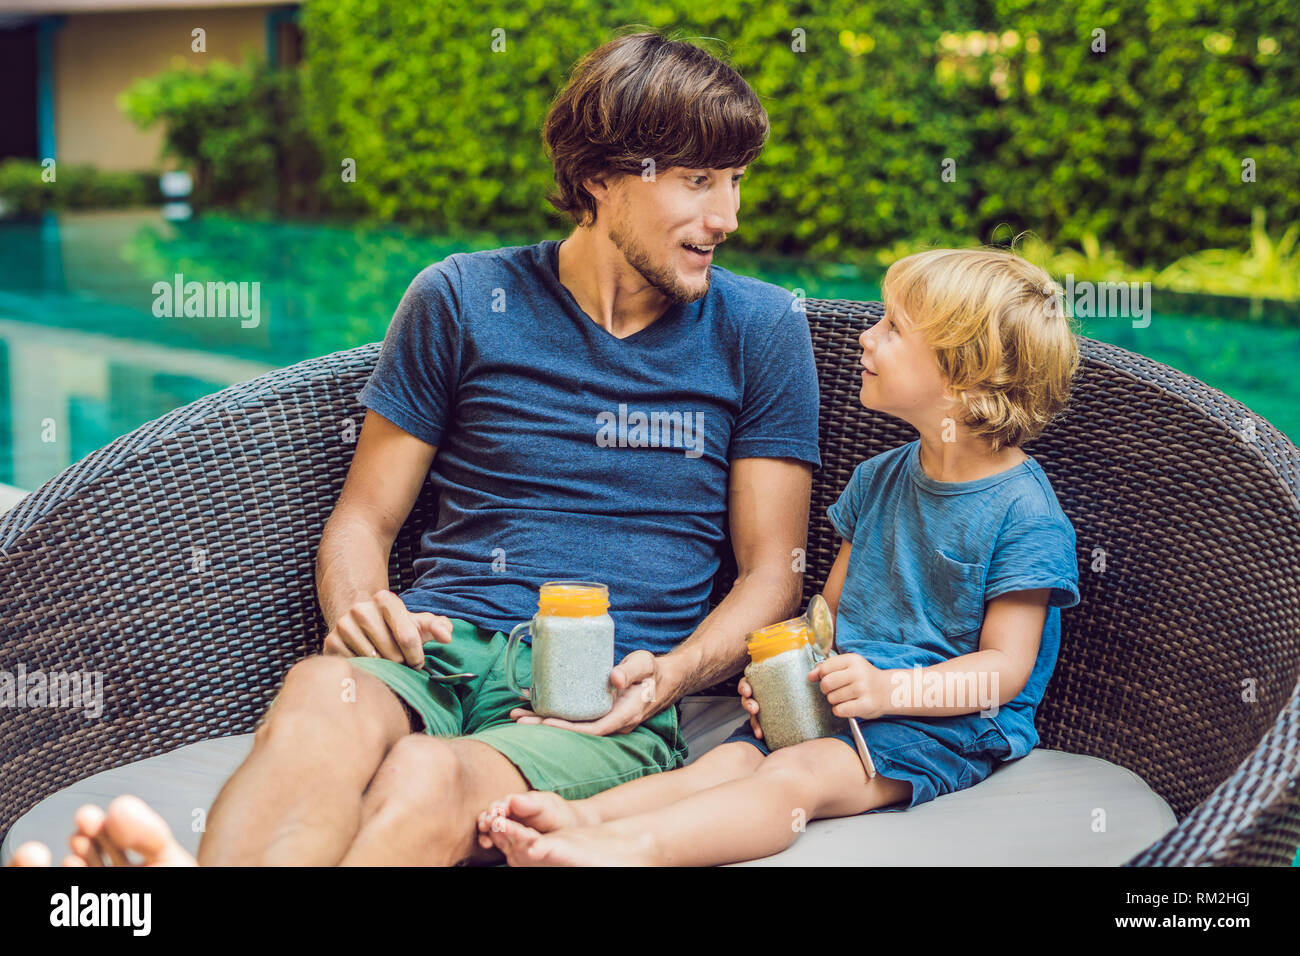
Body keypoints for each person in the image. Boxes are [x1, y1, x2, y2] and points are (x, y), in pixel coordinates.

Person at [7, 31, 820, 868]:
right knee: (323, 693)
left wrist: (675, 676)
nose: (726, 217)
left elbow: (772, 573)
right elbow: (364, 516)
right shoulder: (463, 299)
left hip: (603, 689)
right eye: (697, 182)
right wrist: (359, 605)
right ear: (600, 177)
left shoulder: (760, 330)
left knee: (430, 776)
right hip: (436, 644)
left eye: (735, 181)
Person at [478, 246, 1083, 866]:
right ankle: (579, 816)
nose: (866, 338)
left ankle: (628, 851)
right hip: (850, 698)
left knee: (793, 780)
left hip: (943, 722)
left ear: (964, 377)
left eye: (893, 329)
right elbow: (828, 619)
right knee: (731, 759)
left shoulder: (1023, 513)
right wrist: (784, 678)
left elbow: (1003, 672)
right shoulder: (879, 478)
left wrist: (889, 692)